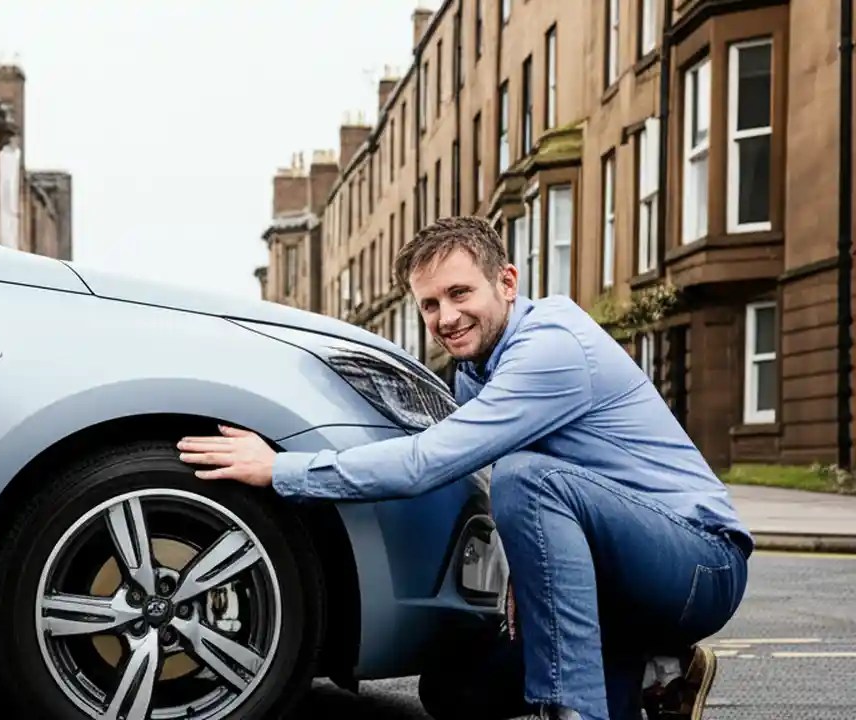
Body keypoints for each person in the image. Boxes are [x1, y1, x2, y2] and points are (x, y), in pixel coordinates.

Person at [177, 216, 751, 720]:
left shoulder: (549, 348)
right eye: (429, 304)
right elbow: (467, 473)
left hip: (698, 565)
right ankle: (660, 674)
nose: (446, 317)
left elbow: (429, 463)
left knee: (527, 477)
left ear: (507, 281)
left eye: (459, 293)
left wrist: (281, 468)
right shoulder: (476, 370)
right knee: (456, 693)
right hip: (613, 585)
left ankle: (577, 708)